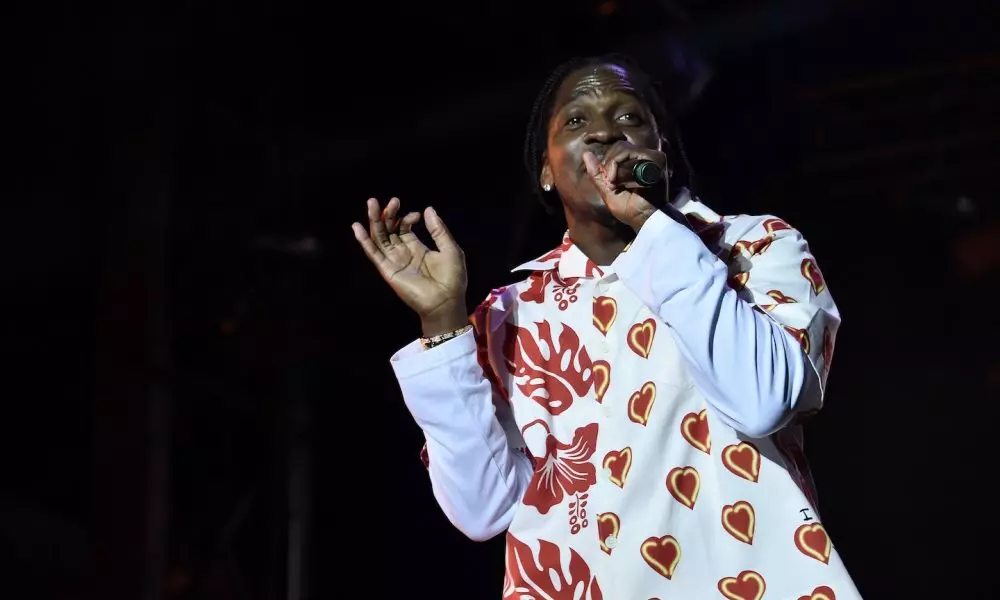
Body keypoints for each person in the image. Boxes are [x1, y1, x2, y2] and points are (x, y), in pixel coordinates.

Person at [352, 55, 861, 599]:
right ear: (546, 170)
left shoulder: (753, 249)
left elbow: (764, 400)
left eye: (629, 117)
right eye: (575, 122)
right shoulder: (512, 317)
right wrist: (443, 322)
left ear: (658, 148)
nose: (602, 131)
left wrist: (653, 229)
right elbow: (482, 508)